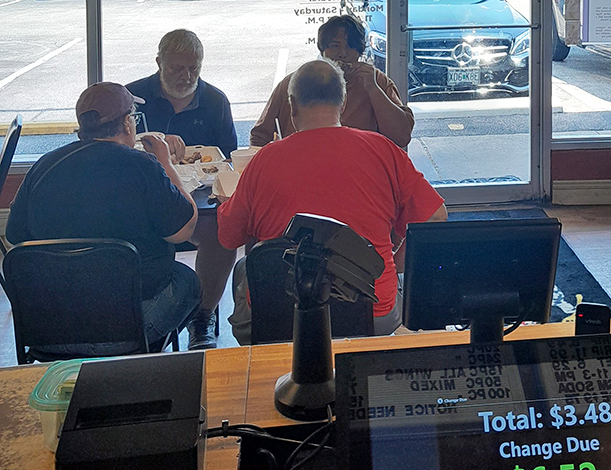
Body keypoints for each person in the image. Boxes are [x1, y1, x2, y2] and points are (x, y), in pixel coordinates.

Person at [218, 59, 447, 344]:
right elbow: (435, 216)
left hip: (283, 314)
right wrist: (394, 252)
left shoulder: (264, 160)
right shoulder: (383, 150)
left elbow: (229, 238)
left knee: (245, 269)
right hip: (372, 312)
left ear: (292, 104)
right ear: (343, 101)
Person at [6, 82, 201, 354]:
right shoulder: (143, 166)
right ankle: (143, 360)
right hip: (127, 325)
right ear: (127, 123)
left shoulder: (44, 165)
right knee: (188, 280)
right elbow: (184, 229)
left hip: (49, 327)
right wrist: (166, 163)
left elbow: (16, 236)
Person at [127, 29, 239, 349]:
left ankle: (202, 315)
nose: (186, 76)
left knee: (222, 233)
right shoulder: (133, 97)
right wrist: (156, 141)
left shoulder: (215, 100)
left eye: (194, 68)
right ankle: (139, 315)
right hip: (144, 202)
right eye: (177, 68)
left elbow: (228, 160)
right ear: (159, 62)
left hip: (199, 198)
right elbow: (112, 147)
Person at [250, 15, 414, 148]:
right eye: (335, 46)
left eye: (350, 47)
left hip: (360, 172)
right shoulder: (297, 82)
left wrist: (373, 89)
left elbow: (401, 137)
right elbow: (259, 136)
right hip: (301, 169)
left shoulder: (376, 81)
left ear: (360, 51)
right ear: (322, 49)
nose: (342, 54)